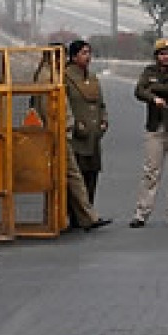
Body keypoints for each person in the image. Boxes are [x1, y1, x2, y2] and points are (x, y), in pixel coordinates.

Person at [128, 38, 168, 228]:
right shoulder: (149, 71)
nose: (166, 57)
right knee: (151, 171)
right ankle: (141, 212)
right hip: (155, 127)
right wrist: (153, 98)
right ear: (156, 56)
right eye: (162, 53)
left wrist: (153, 89)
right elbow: (138, 91)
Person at [64, 40, 112, 229]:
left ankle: (87, 212)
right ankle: (76, 216)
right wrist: (75, 125)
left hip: (94, 135)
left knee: (92, 173)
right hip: (77, 135)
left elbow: (101, 104)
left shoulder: (93, 78)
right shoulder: (66, 78)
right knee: (77, 175)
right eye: (83, 53)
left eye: (89, 52)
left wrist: (104, 120)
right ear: (74, 57)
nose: (88, 56)